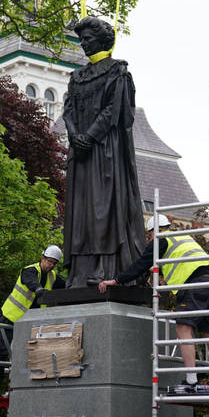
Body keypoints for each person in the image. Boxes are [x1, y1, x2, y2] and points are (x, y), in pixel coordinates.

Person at [63, 16, 146, 287]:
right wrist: (75, 136)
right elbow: (68, 110)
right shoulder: (77, 77)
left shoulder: (118, 73)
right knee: (80, 212)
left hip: (104, 152)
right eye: (81, 40)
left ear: (102, 40)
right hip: (81, 153)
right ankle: (79, 272)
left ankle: (103, 268)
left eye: (87, 39)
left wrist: (89, 136)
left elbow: (115, 110)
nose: (83, 44)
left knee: (103, 209)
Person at [98, 215, 209, 393]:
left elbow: (141, 265)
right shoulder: (182, 237)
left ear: (153, 231)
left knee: (184, 328)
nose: (149, 238)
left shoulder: (160, 240)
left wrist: (115, 280)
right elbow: (166, 265)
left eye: (149, 235)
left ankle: (191, 381)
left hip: (193, 284)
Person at [0, 245, 66, 396]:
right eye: (49, 261)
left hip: (31, 323)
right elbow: (30, 281)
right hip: (12, 318)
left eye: (54, 263)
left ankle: (20, 387)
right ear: (42, 258)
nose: (51, 265)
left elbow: (67, 286)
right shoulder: (30, 270)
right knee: (2, 351)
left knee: (29, 354)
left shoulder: (53, 276)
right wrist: (38, 289)